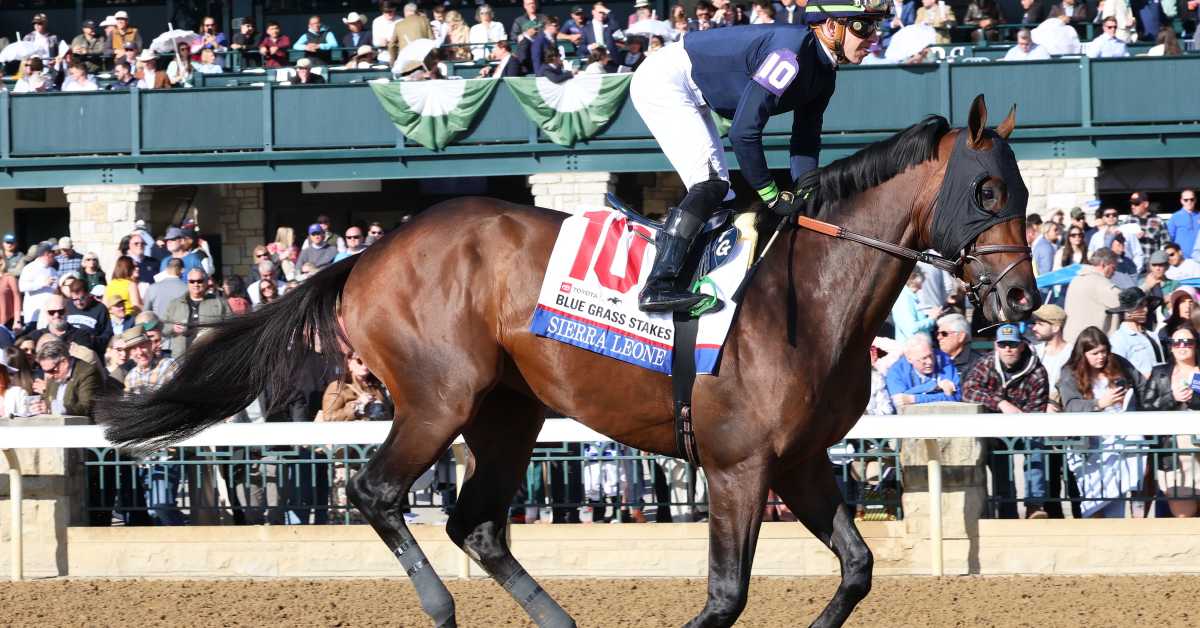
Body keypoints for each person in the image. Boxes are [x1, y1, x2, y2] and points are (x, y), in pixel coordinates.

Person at [629, 0, 887, 311]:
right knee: (712, 184)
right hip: (667, 80)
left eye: (875, 26)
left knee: (722, 200)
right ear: (831, 26)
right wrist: (771, 195)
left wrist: (808, 188)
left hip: (693, 86)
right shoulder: (790, 56)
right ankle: (658, 285)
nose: (873, 36)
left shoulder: (825, 73)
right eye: (864, 26)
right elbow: (743, 132)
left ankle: (690, 276)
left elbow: (805, 138)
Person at [961, 323, 1050, 519]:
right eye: (1003, 345)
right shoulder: (986, 364)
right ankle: (1006, 509)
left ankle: (1035, 505)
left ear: (1022, 345)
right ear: (996, 346)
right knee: (999, 458)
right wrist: (1001, 403)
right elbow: (968, 390)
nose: (1008, 349)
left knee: (1035, 448)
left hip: (1026, 426)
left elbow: (1036, 411)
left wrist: (1017, 418)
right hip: (995, 430)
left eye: (1012, 344)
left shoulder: (1037, 371)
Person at [1057, 326, 1145, 518]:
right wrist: (1099, 403)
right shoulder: (1069, 372)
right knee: (1094, 502)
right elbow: (1071, 406)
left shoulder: (1119, 363)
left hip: (1121, 441)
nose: (1101, 357)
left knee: (1117, 499)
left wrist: (1128, 399)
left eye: (1104, 351)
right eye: (1095, 353)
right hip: (1089, 446)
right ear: (1083, 353)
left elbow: (1142, 387)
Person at [162, 268, 231, 358]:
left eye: (199, 281)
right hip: (181, 357)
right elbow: (163, 328)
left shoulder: (219, 303)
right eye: (192, 281)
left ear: (206, 282)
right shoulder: (176, 304)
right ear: (188, 283)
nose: (196, 284)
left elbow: (231, 326)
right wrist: (173, 328)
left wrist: (215, 333)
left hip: (210, 356)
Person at [885, 334, 961, 410]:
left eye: (931, 356)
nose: (930, 362)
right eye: (924, 358)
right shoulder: (896, 372)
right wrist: (934, 386)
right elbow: (899, 403)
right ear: (909, 359)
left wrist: (914, 399)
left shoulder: (944, 360)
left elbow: (955, 397)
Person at [1063, 248, 1121, 343]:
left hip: (1071, 340)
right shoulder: (1101, 283)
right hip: (1091, 345)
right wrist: (1147, 285)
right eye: (1113, 268)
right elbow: (1128, 302)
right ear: (1103, 264)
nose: (1114, 272)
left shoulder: (1076, 280)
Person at [1107, 287, 1165, 378]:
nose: (1145, 310)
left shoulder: (1152, 334)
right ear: (1127, 311)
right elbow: (1117, 372)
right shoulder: (1118, 340)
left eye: (1146, 305)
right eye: (1140, 305)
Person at [321, 353, 394, 421]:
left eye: (368, 361)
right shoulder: (338, 387)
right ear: (349, 362)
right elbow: (328, 418)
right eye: (360, 361)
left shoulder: (378, 386)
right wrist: (358, 406)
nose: (365, 365)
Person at [1030, 304, 1072, 410]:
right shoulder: (1034, 352)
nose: (1034, 328)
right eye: (1035, 323)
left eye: (1040, 324)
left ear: (1055, 327)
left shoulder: (1072, 353)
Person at [891, 269, 942, 343]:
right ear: (912, 281)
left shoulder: (910, 297)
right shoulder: (904, 299)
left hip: (920, 346)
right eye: (919, 285)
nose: (921, 288)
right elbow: (911, 328)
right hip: (912, 348)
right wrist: (931, 319)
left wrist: (930, 317)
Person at [18, 243, 57, 329]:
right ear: (47, 254)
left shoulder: (53, 270)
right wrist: (42, 283)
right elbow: (22, 287)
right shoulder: (30, 268)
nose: (56, 255)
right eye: (54, 252)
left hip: (50, 315)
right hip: (35, 316)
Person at [936, 313, 981, 380]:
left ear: (961, 337)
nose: (938, 337)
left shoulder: (977, 364)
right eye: (937, 333)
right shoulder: (934, 360)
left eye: (944, 334)